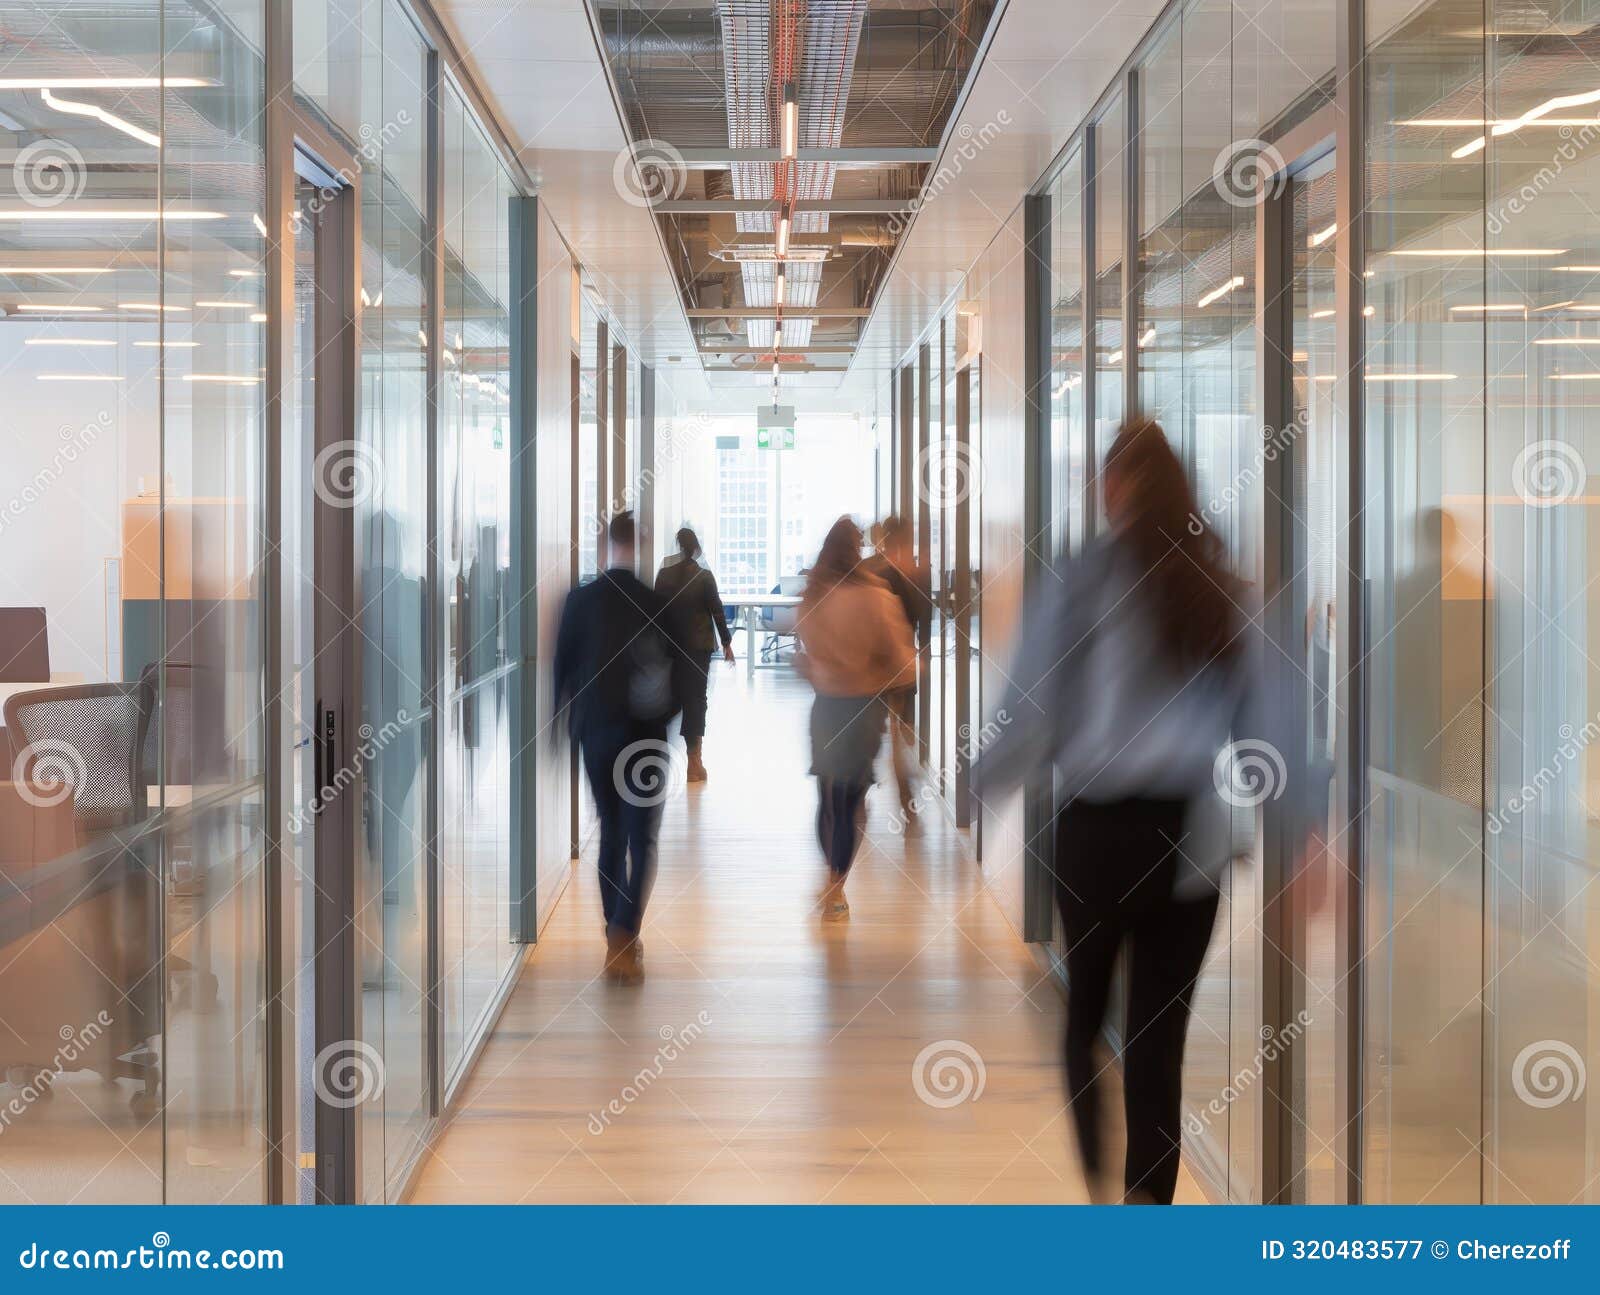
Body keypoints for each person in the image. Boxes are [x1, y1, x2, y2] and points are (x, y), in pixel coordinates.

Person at [974, 419, 1320, 1204]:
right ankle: (1144, 1208)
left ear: (1116, 487)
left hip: (1094, 833)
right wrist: (1303, 827)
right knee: (1158, 1042)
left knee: (1084, 1015)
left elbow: (1030, 708)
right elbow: (1270, 727)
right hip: (1188, 841)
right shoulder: (1221, 585)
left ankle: (1101, 1184)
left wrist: (983, 784)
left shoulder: (1080, 577)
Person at [553, 512, 680, 984]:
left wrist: (564, 728)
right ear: (641, 544)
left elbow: (563, 671)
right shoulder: (657, 603)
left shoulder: (580, 601)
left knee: (610, 833)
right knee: (642, 838)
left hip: (597, 734)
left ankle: (615, 935)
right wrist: (669, 725)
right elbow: (681, 672)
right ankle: (624, 935)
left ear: (604, 545)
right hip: (644, 739)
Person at [795, 516, 915, 921]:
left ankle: (831, 875)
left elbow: (805, 657)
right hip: (864, 711)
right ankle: (836, 885)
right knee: (851, 802)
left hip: (826, 709)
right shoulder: (877, 598)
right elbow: (904, 665)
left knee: (828, 798)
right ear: (857, 549)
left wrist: (821, 669)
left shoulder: (814, 595)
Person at [863, 515, 932, 825]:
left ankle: (876, 793)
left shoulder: (867, 570)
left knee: (877, 732)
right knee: (896, 733)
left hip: (875, 668)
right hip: (897, 667)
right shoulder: (912, 573)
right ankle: (905, 799)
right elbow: (922, 618)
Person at [654, 526, 735, 782]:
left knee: (670, 698)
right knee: (695, 700)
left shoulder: (664, 576)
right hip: (698, 649)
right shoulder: (704, 577)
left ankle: (656, 759)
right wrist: (726, 642)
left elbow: (655, 613)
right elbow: (717, 612)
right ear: (696, 548)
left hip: (669, 647)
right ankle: (694, 763)